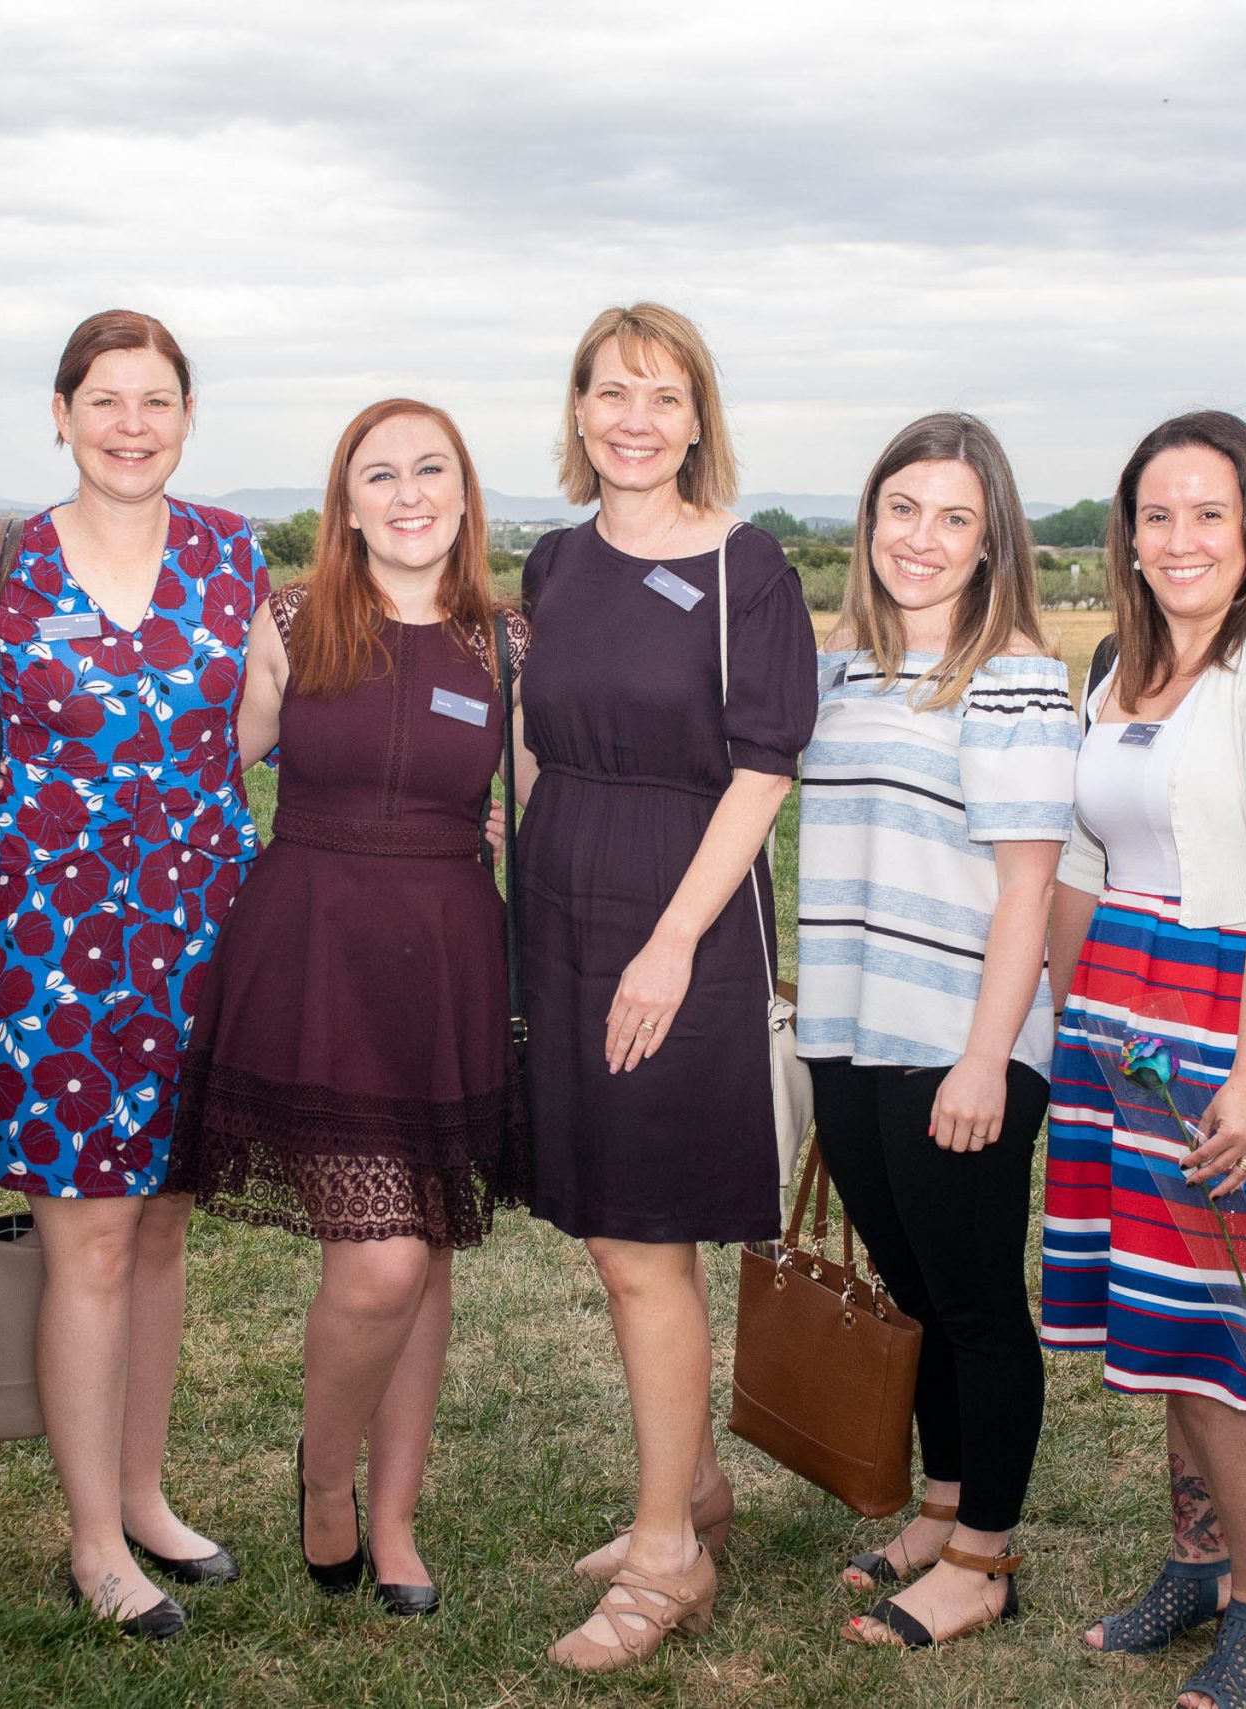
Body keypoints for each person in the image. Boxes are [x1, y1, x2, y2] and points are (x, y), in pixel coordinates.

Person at [0, 310, 271, 1641]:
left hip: (199, 943)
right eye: (106, 400)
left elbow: (276, 725)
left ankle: (142, 1491)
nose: (131, 424)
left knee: (164, 1228)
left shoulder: (231, 554)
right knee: (88, 1240)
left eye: (156, 401)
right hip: (48, 961)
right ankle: (89, 1539)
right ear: (62, 413)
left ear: (186, 418)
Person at [165, 398, 530, 1618]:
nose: (409, 492)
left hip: (445, 974)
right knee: (377, 1265)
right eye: (381, 473)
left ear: (466, 496)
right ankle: (326, 1482)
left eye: (432, 469)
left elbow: (533, 807)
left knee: (424, 1257)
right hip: (314, 966)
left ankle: (399, 1519)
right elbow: (205, 771)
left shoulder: (506, 646)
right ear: (348, 502)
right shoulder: (287, 621)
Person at [1041, 410, 1246, 1709]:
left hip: (1242, 1012)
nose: (1178, 539)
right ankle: (1196, 1561)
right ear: (1127, 531)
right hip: (1123, 1017)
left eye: (1207, 514)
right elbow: (1081, 863)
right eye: (1156, 514)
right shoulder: (1118, 661)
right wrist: (1064, 1028)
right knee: (1162, 1319)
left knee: (1228, 1339)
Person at [516, 303, 818, 1672]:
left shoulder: (747, 570)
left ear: (699, 419)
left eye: (662, 394)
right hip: (560, 903)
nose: (634, 417)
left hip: (678, 913)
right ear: (578, 414)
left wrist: (670, 939)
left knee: (649, 1237)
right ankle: (689, 1483)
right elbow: (533, 743)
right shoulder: (555, 564)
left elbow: (764, 767)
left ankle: (666, 1556)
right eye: (609, 391)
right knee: (603, 1220)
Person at [793, 412, 1078, 1651]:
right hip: (849, 1031)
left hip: (957, 1038)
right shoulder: (837, 669)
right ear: (869, 523)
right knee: (911, 1288)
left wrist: (984, 1053)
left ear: (990, 540)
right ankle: (943, 1504)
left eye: (953, 516)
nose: (922, 536)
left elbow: (1026, 885)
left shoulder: (1014, 677)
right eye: (901, 508)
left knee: (972, 1302)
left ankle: (982, 1558)